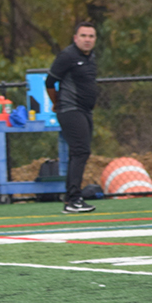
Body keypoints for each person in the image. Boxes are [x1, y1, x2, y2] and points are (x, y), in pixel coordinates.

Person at [46, 22, 98, 214]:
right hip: (70, 109)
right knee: (81, 151)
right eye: (83, 36)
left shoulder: (91, 57)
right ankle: (73, 199)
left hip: (85, 110)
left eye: (91, 36)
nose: (87, 40)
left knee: (80, 153)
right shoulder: (67, 56)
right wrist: (56, 102)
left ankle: (71, 199)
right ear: (75, 38)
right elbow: (50, 81)